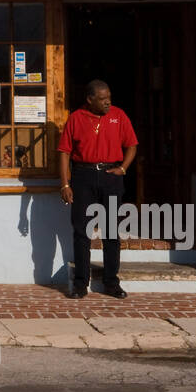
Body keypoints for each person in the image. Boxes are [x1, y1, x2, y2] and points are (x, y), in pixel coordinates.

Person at [57, 79, 138, 299]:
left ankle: (111, 283)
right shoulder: (76, 118)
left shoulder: (118, 116)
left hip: (111, 176)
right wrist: (65, 183)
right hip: (83, 176)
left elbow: (132, 145)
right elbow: (64, 152)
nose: (107, 102)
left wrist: (123, 168)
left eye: (109, 97)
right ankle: (80, 284)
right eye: (102, 99)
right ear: (90, 99)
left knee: (111, 231)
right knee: (81, 230)